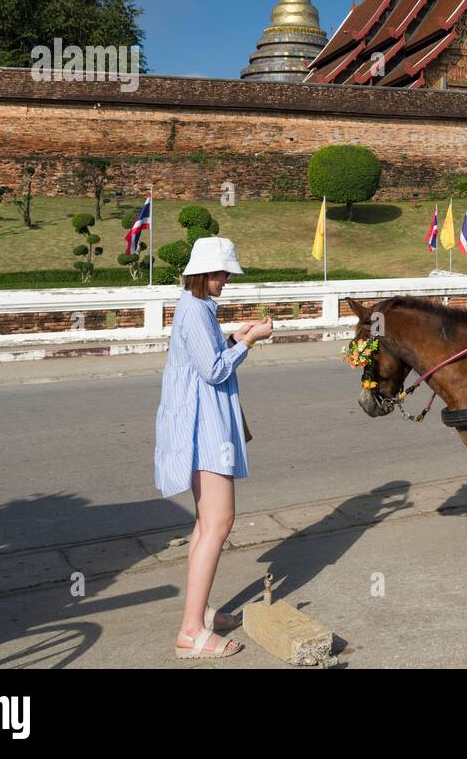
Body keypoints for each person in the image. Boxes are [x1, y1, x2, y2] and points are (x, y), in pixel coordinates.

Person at [155, 236, 273, 660]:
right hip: (204, 427)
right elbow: (212, 370)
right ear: (203, 274)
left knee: (206, 525)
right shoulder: (193, 308)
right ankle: (190, 631)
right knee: (219, 523)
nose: (226, 280)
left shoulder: (198, 308)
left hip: (201, 422)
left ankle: (199, 612)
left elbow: (203, 357)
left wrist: (232, 338)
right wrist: (248, 342)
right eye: (222, 273)